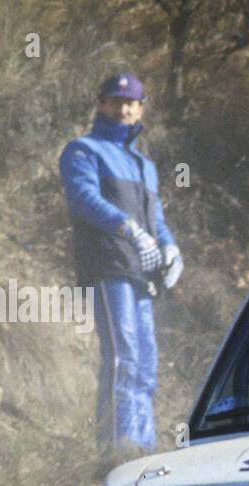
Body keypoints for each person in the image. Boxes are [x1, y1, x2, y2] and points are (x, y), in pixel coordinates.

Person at [59, 72, 182, 456]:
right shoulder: (82, 149)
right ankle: (116, 450)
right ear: (100, 104)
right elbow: (83, 198)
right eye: (114, 100)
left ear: (141, 108)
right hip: (108, 265)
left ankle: (141, 451)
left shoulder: (144, 164)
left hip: (141, 270)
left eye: (130, 102)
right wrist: (128, 229)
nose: (123, 108)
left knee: (146, 363)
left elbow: (155, 217)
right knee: (122, 355)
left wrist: (171, 249)